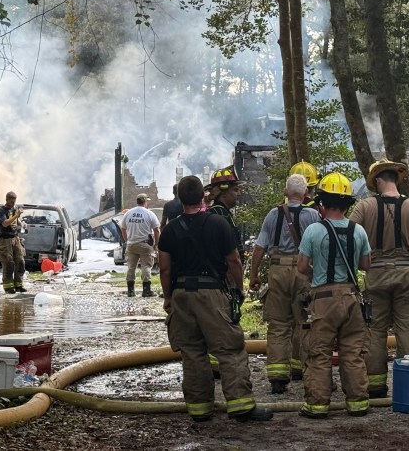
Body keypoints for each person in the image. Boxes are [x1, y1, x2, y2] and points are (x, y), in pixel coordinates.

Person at [158, 175, 272, 423]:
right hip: (212, 293)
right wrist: (239, 290)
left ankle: (199, 409)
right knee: (229, 348)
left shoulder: (169, 230)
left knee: (193, 352)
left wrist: (169, 298)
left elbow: (164, 269)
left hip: (180, 295)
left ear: (179, 199)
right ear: (203, 196)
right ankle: (241, 406)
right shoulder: (218, 224)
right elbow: (233, 260)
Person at [349, 159, 409, 398]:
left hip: (375, 275)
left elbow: (349, 238)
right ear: (397, 179)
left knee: (375, 330)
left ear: (379, 181)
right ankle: (408, 385)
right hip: (407, 274)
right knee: (407, 329)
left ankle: (375, 386)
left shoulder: (364, 207)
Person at [297, 172, 372, 419]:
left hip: (323, 299)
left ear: (322, 203)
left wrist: (317, 270)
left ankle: (317, 405)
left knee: (319, 353)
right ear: (348, 203)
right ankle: (358, 403)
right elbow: (365, 265)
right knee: (352, 353)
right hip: (351, 298)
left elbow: (301, 267)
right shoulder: (358, 230)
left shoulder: (313, 231)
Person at [249, 173, 320, 392]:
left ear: (285, 193)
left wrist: (253, 275)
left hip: (277, 270)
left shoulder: (273, 215)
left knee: (279, 324)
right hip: (303, 270)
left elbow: (259, 247)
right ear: (306, 194)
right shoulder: (313, 215)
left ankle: (278, 378)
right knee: (304, 321)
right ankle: (302, 370)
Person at [122, 193, 160, 297]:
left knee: (131, 267)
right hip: (145, 245)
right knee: (146, 266)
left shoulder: (128, 213)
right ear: (145, 202)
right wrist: (155, 244)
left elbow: (123, 228)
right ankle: (146, 291)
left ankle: (130, 291)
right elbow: (157, 230)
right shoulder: (149, 214)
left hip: (131, 245)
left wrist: (127, 240)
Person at [206, 166, 245, 257]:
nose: (239, 194)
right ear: (223, 193)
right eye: (235, 190)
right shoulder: (219, 214)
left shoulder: (221, 212)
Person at [0, 191, 26, 294]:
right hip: (6, 239)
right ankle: (9, 287)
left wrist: (22, 223)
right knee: (8, 262)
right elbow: (5, 223)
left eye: (14, 201)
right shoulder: (1, 210)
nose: (13, 203)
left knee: (20, 261)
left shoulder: (14, 209)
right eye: (11, 201)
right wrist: (16, 215)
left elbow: (16, 221)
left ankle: (19, 284)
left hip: (15, 238)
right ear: (7, 200)